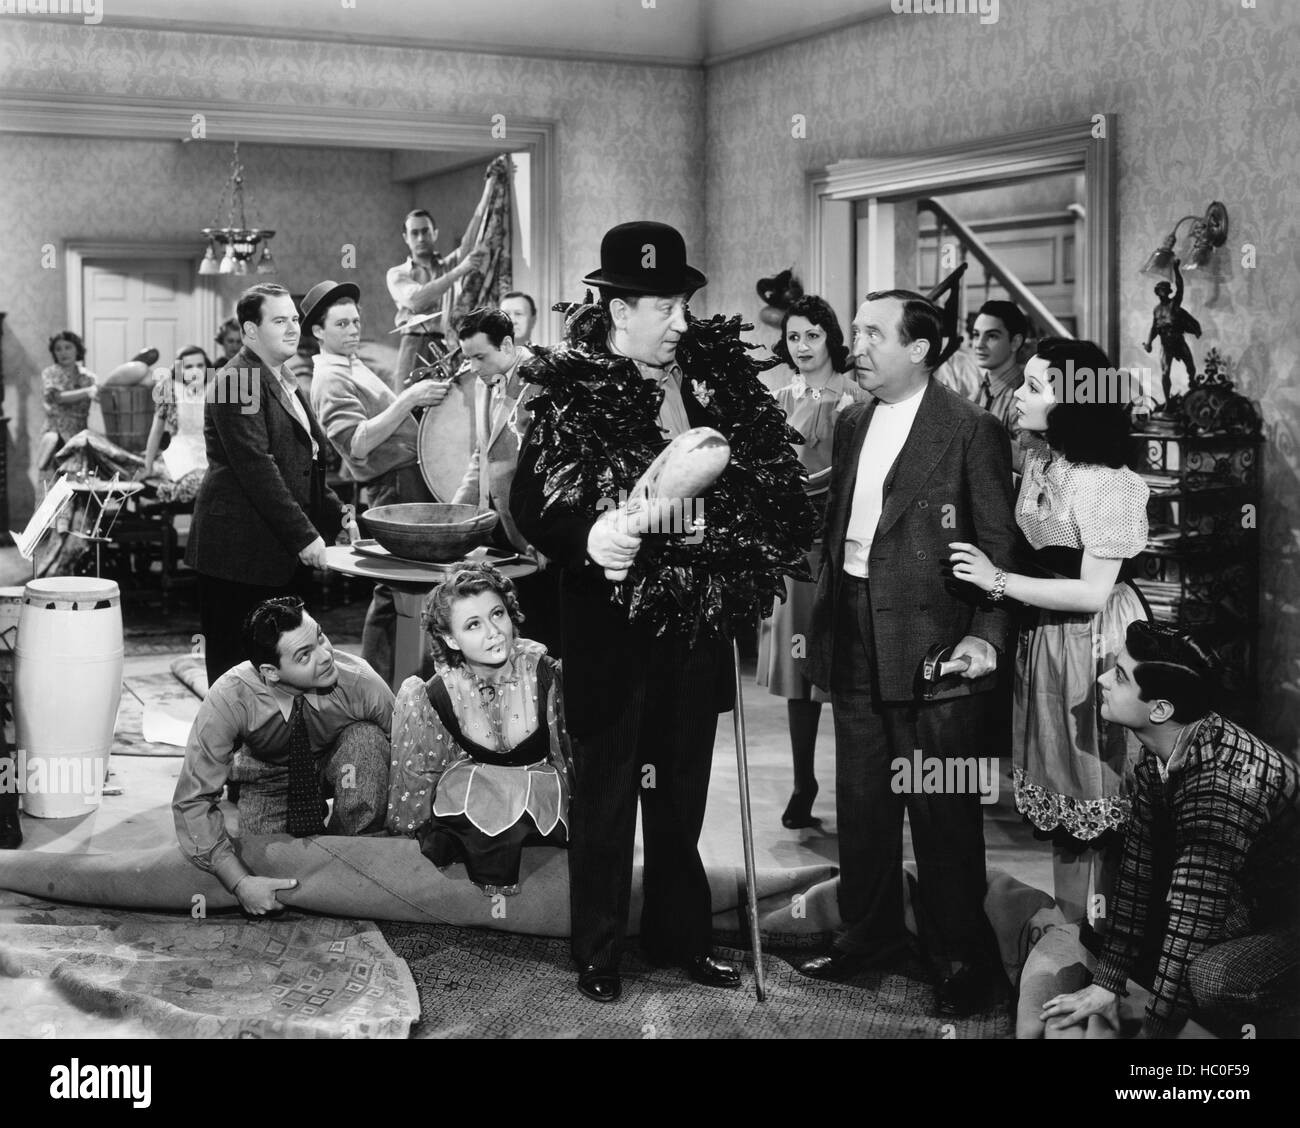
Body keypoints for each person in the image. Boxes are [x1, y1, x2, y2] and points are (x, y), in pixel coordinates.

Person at [511, 220, 812, 1003]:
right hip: (610, 628)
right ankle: (599, 951)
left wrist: (737, 530)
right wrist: (592, 536)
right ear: (619, 312)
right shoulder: (564, 393)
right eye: (666, 308)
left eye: (685, 305)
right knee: (607, 795)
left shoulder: (712, 379)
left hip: (696, 627)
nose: (682, 322)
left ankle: (682, 940)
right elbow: (531, 507)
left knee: (679, 796)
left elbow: (763, 478)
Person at [797, 289, 1018, 1018]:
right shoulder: (854, 419)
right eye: (855, 330)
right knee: (862, 798)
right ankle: (869, 936)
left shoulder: (970, 430)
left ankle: (961, 956)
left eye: (870, 333)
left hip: (936, 645)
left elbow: (996, 543)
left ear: (919, 349)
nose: (853, 343)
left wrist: (986, 639)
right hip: (854, 628)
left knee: (941, 806)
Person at [950, 337, 1150, 927]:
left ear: (1075, 402)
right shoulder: (1042, 458)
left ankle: (1106, 941)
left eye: (1036, 388)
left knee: (1099, 787)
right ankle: (1070, 929)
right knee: (1063, 793)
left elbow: (1091, 593)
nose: (1020, 398)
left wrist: (996, 581)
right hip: (1047, 638)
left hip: (1096, 640)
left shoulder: (1107, 484)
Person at [1039, 621, 1300, 1039]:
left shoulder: (1224, 783)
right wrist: (1106, 984)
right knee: (1105, 932)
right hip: (1249, 897)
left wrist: (1153, 1036)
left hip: (1286, 918)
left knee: (1210, 977)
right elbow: (1137, 876)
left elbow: (1193, 919)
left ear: (1159, 709)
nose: (1103, 680)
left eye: (1120, 676)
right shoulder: (1158, 750)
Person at [172, 597, 394, 916]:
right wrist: (240, 883)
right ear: (270, 672)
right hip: (267, 773)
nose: (326, 656)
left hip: (340, 763)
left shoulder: (361, 681)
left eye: (320, 636)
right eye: (305, 655)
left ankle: (348, 857)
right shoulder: (229, 697)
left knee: (367, 739)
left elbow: (408, 759)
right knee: (270, 870)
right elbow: (192, 800)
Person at [185, 282, 351, 687]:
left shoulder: (283, 375)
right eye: (280, 320)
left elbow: (305, 463)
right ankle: (231, 750)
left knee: (282, 669)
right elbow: (258, 468)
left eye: (295, 318)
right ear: (250, 331)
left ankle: (278, 745)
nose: (293, 327)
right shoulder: (236, 380)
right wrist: (305, 537)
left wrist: (338, 515)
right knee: (237, 675)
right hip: (238, 553)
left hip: (276, 551)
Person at [386, 564, 571, 896]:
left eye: (497, 614)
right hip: (474, 799)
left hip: (538, 799)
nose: (494, 632)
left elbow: (568, 759)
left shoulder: (544, 673)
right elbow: (422, 772)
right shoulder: (436, 693)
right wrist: (408, 834)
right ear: (450, 639)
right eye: (473, 625)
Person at [757, 295, 870, 828]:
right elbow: (769, 473)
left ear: (831, 338)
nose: (801, 347)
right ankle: (804, 782)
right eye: (794, 338)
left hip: (846, 543)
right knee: (801, 673)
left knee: (849, 667)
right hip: (796, 545)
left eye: (812, 336)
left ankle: (858, 785)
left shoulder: (858, 399)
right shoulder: (777, 400)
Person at [303, 279, 448, 684]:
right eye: (342, 324)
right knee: (396, 585)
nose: (353, 330)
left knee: (400, 585)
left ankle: (397, 681)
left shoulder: (350, 364)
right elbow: (357, 443)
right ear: (318, 331)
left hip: (405, 478)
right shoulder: (330, 377)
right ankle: (384, 686)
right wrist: (409, 399)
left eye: (355, 321)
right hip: (393, 483)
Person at [450, 307, 559, 655]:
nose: (473, 367)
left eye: (480, 357)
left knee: (542, 638)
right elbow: (483, 455)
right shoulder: (486, 378)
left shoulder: (544, 380)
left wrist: (543, 537)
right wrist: (456, 513)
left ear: (508, 345)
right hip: (498, 530)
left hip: (534, 534)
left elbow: (554, 467)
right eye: (468, 359)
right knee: (504, 634)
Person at [387, 195, 490, 392]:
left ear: (435, 234)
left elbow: (472, 237)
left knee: (446, 409)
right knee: (409, 410)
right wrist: (460, 270)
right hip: (413, 346)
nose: (420, 238)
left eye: (425, 231)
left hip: (446, 345)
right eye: (414, 233)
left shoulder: (448, 266)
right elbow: (416, 299)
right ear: (405, 238)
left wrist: (488, 193)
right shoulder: (397, 273)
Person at [138, 345, 211, 504]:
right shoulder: (170, 389)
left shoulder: (215, 389)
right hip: (181, 452)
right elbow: (157, 430)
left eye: (200, 365)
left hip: (209, 451)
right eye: (189, 366)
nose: (195, 371)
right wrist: (148, 465)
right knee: (196, 483)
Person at [970, 300, 1029, 471]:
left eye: (992, 336)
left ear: (1015, 342)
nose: (979, 344)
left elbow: (1033, 462)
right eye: (975, 334)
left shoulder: (1022, 394)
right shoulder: (980, 389)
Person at [1143, 258, 1202, 406]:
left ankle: (1192, 383)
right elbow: (1154, 328)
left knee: (1191, 366)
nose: (1162, 292)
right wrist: (1149, 342)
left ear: (1168, 292)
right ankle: (1168, 402)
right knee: (1165, 372)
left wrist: (1176, 269)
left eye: (1165, 289)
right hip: (1166, 345)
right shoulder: (1156, 310)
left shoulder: (1174, 304)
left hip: (1178, 341)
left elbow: (1180, 287)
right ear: (1157, 292)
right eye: (1160, 290)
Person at [40, 330, 99, 465]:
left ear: (77, 349)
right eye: (58, 349)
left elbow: (100, 398)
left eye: (68, 347)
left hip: (79, 434)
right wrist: (88, 391)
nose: (63, 352)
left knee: (78, 478)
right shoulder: (50, 373)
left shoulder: (88, 377)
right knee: (54, 478)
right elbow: (57, 397)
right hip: (55, 434)